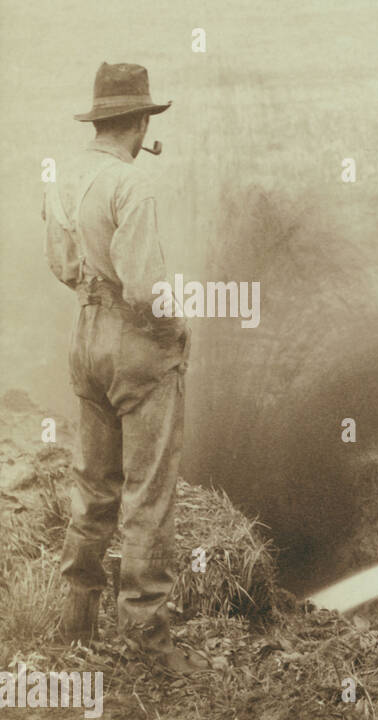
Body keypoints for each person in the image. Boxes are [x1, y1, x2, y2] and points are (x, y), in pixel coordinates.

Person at [45, 62, 205, 673]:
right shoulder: (132, 185)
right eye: (146, 120)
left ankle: (78, 621)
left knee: (93, 486)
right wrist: (178, 331)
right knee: (148, 492)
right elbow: (145, 289)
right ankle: (150, 640)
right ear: (138, 122)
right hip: (134, 344)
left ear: (98, 120)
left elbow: (62, 266)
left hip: (84, 335)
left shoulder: (61, 179)